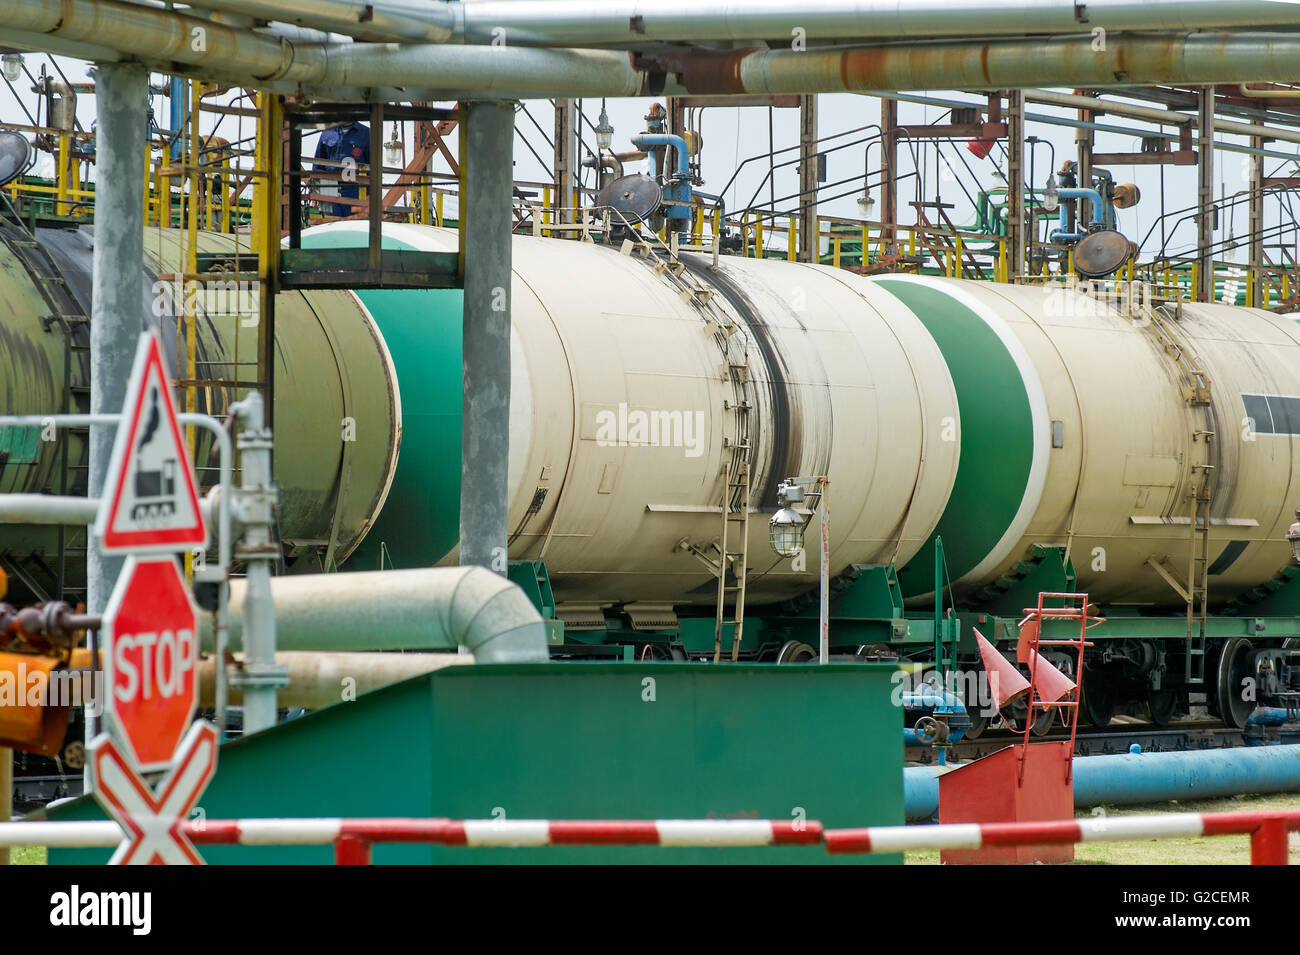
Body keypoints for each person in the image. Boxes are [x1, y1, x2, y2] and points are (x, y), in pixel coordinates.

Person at [313, 121, 370, 218]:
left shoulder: (366, 133)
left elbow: (372, 166)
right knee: (329, 225)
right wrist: (314, 192)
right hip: (328, 188)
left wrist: (370, 196)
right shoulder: (327, 132)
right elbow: (318, 163)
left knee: (353, 226)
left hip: (355, 190)